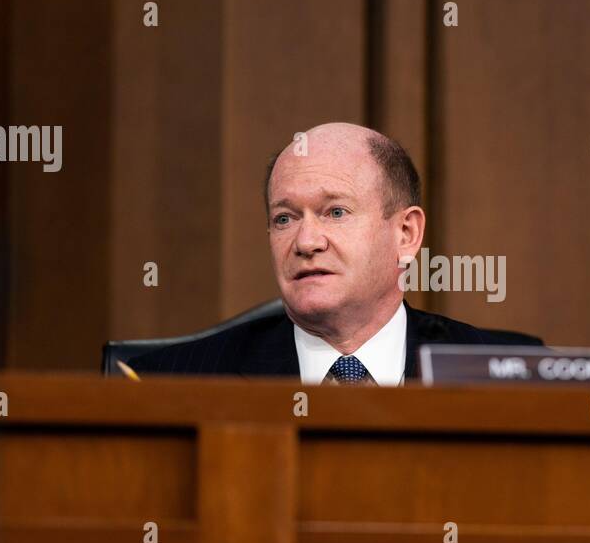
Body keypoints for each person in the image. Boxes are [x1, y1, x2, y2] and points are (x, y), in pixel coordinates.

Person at [124, 122, 541, 384]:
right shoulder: (171, 383)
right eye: (285, 218)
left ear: (407, 234)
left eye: (335, 212)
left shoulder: (510, 377)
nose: (306, 243)